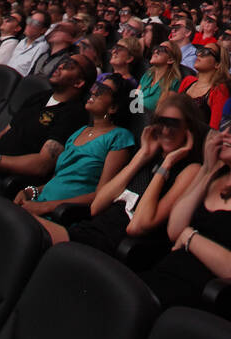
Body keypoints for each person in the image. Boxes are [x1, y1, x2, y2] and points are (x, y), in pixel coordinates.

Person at [33, 92, 205, 258]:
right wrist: (141, 156)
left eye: (173, 124)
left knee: (25, 233)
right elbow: (97, 206)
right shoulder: (149, 157)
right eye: (161, 122)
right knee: (20, 226)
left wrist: (166, 165)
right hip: (87, 231)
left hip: (110, 247)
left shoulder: (190, 170)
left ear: (188, 129)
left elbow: (137, 226)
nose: (166, 131)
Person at [142, 104, 231, 308]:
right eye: (224, 126)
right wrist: (206, 169)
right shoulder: (213, 176)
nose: (224, 134)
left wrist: (190, 237)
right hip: (166, 273)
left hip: (197, 293)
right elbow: (174, 230)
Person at [0, 51, 94, 189]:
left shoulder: (74, 114)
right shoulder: (40, 97)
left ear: (79, 82)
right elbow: (8, 129)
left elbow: (42, 165)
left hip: (6, 179)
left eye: (69, 65)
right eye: (62, 61)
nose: (60, 66)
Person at [13, 74, 135, 216]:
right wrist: (29, 191)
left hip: (63, 214)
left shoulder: (119, 137)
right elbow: (58, 180)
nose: (94, 91)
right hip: (38, 205)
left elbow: (101, 195)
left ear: (113, 107)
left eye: (102, 90)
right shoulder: (79, 132)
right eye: (95, 87)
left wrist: (46, 207)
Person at [180, 43, 231, 130]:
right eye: (200, 50)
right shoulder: (188, 81)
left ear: (217, 64)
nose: (199, 54)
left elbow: (214, 129)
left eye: (206, 52)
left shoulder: (219, 89)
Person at [6, 10, 51, 76]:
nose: (29, 24)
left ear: (43, 30)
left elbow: (31, 72)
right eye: (30, 20)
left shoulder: (43, 46)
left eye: (35, 23)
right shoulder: (22, 41)